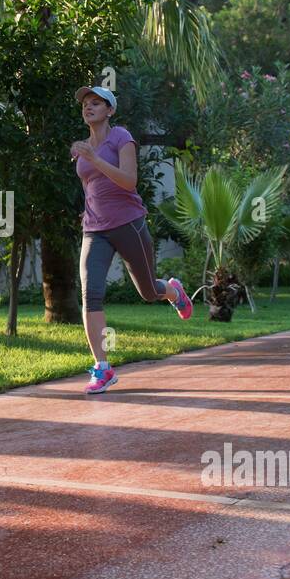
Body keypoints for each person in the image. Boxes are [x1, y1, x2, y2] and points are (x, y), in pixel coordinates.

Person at [71, 85, 191, 394]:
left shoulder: (121, 137)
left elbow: (128, 181)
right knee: (91, 292)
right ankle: (102, 368)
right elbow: (91, 188)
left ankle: (173, 291)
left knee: (148, 292)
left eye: (96, 103)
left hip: (129, 224)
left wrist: (94, 158)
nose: (89, 107)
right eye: (86, 103)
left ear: (110, 110)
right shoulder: (83, 146)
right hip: (95, 229)